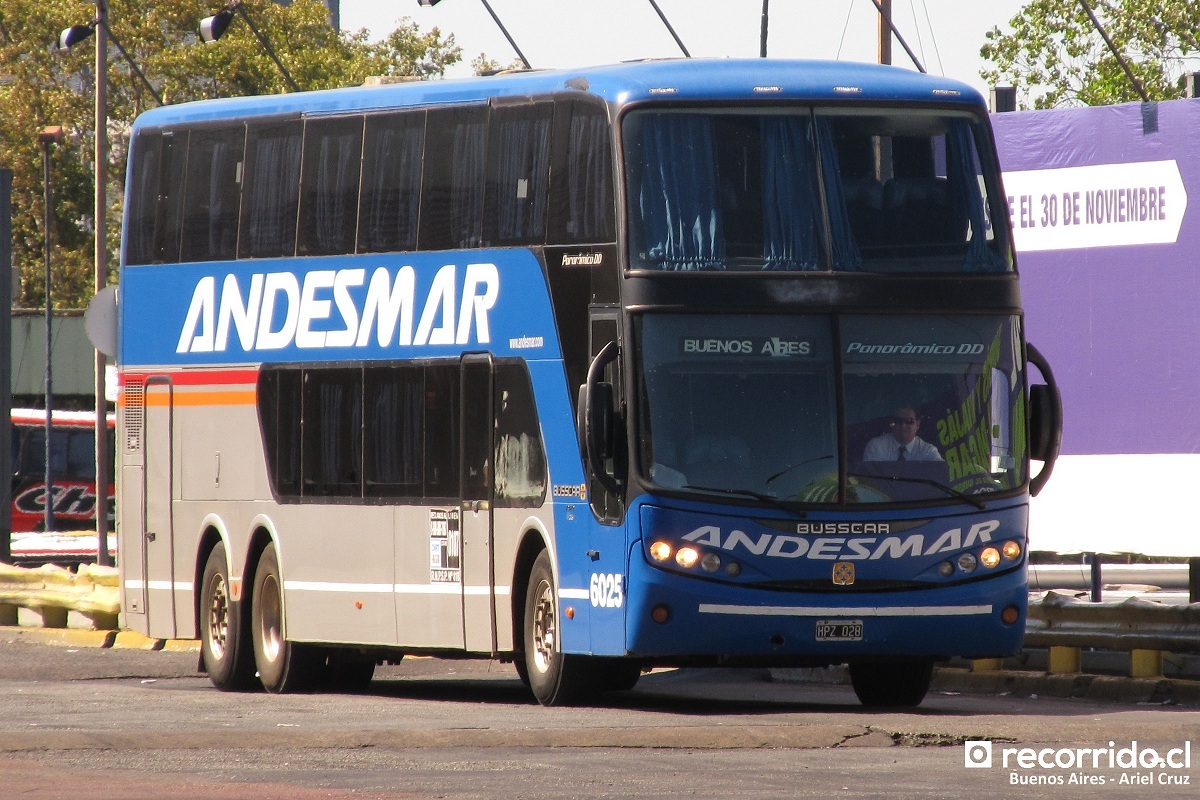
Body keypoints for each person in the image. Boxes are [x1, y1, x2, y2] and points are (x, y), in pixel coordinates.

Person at [863, 407, 942, 462]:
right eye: (898, 421)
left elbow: (941, 472)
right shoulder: (876, 447)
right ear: (892, 423)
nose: (903, 425)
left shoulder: (928, 451)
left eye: (909, 421)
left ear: (917, 424)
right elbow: (870, 481)